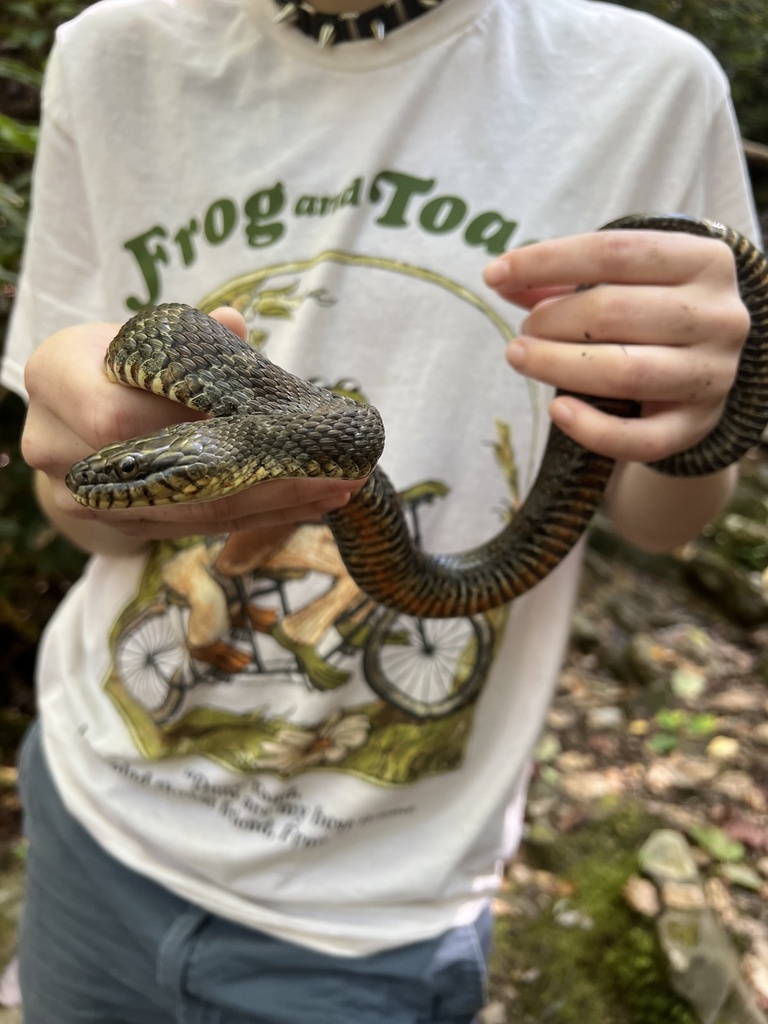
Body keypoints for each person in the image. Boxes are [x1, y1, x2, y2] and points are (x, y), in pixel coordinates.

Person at [1, 0, 760, 1019]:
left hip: (377, 912)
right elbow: (80, 503)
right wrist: (77, 468)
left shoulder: (649, 88)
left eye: (160, 477)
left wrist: (710, 405)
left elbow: (665, 523)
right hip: (98, 811)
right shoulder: (112, 51)